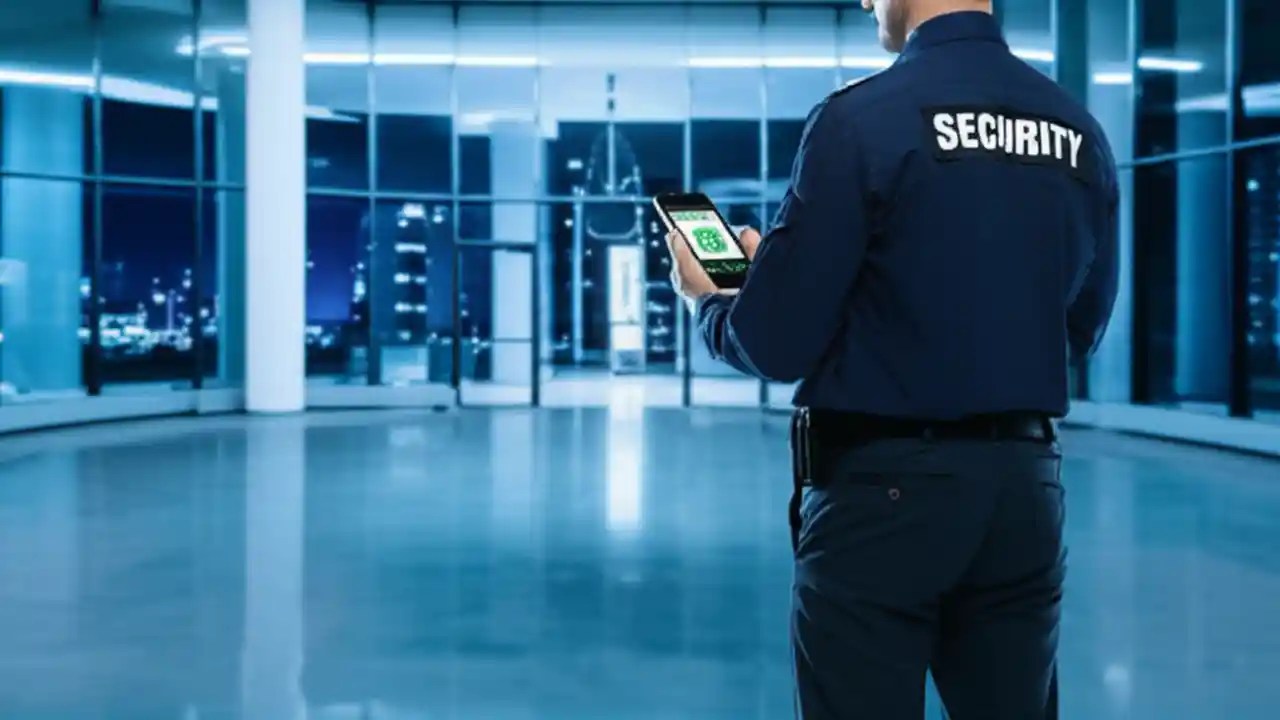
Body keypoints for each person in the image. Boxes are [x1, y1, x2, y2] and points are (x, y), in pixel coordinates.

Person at [664, 0, 1118, 718]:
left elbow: (776, 341)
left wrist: (712, 301)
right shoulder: (1077, 131)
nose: (867, 1)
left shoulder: (858, 122)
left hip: (880, 500)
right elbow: (1081, 328)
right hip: (1025, 495)